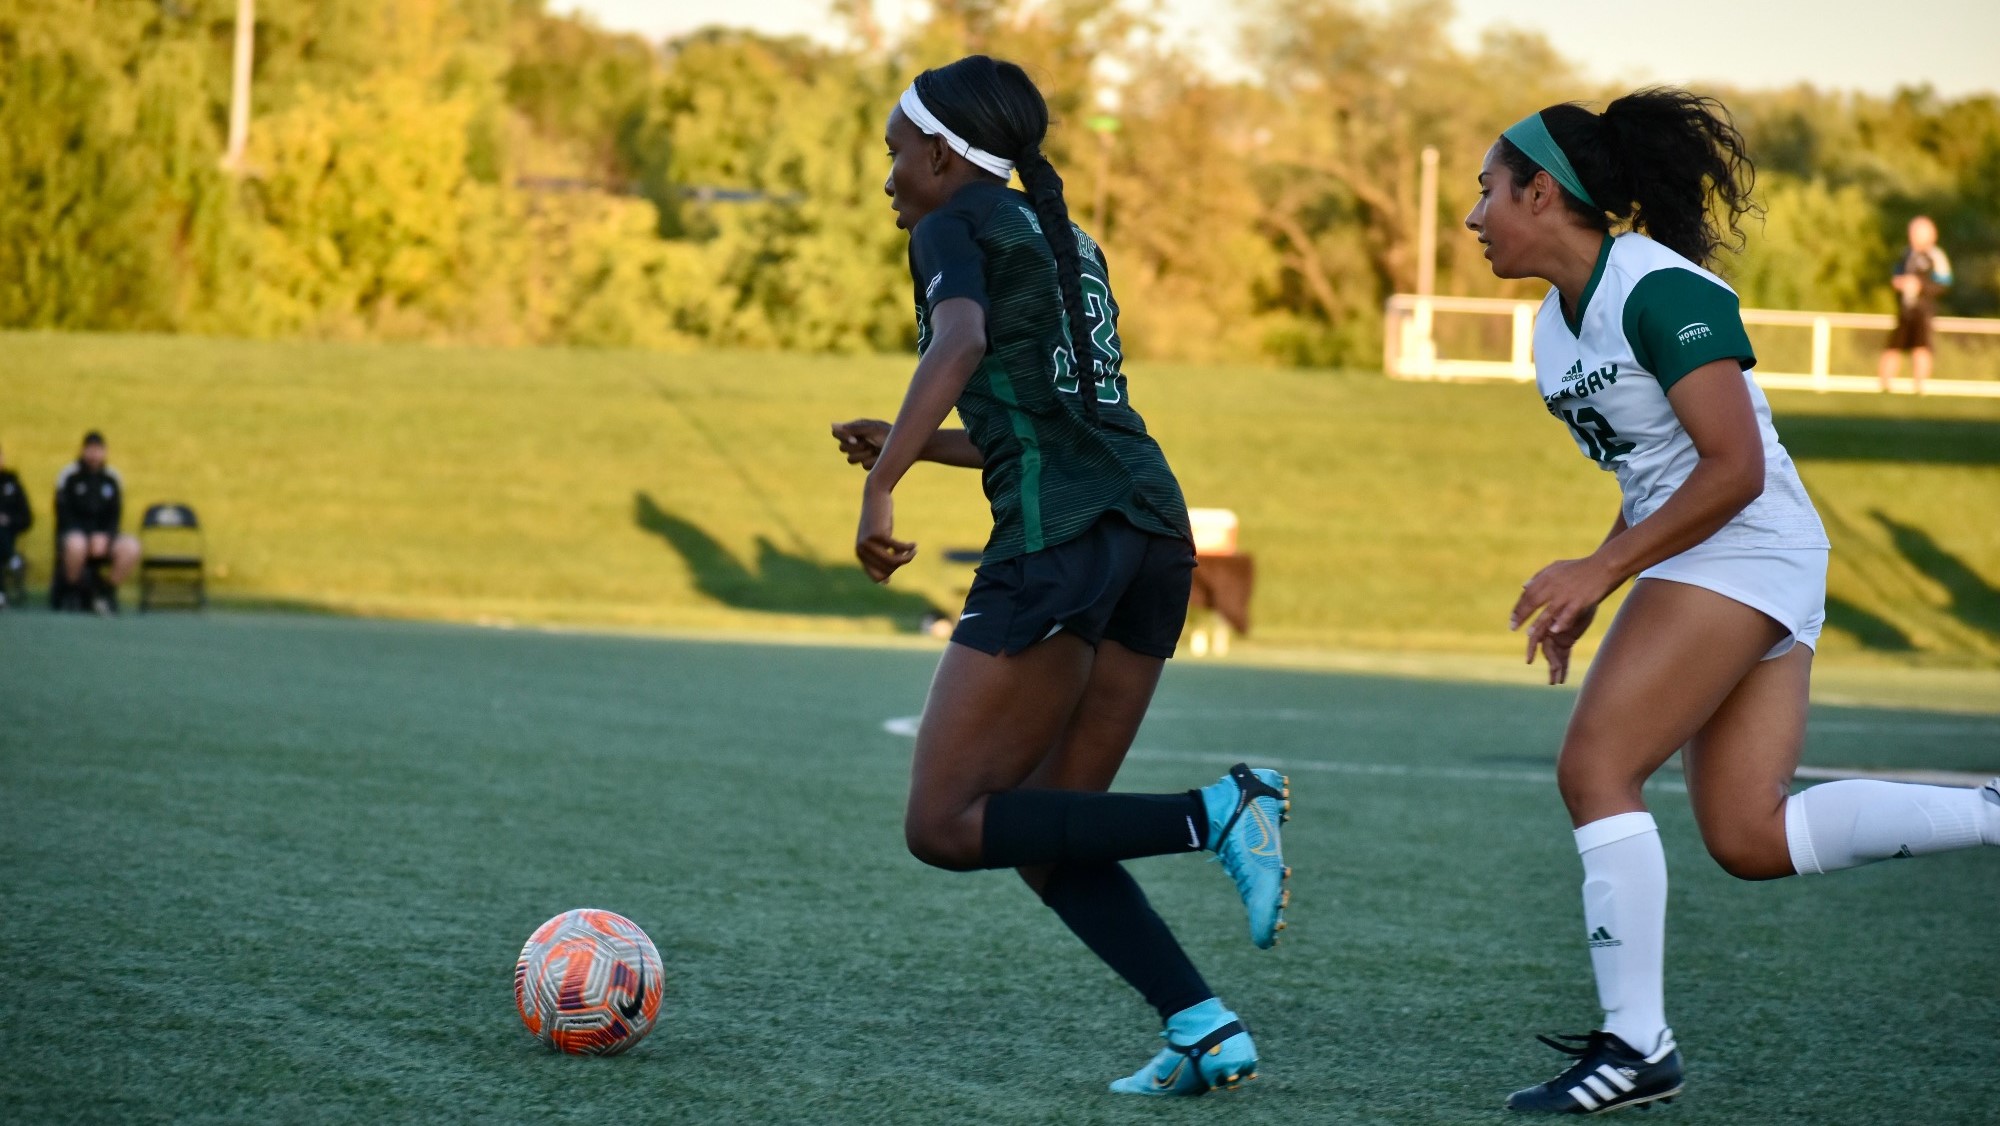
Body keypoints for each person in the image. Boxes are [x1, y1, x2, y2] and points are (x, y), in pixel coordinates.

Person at [1463, 89, 1999, 1115]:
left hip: (1744, 544)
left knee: (1594, 769)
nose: (1473, 214)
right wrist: (1601, 567)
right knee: (1749, 837)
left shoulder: (1657, 288)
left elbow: (1734, 469)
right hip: (1727, 551)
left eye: (1487, 189)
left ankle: (1636, 1045)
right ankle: (1990, 813)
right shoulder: (1551, 329)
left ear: (1540, 192)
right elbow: (1654, 473)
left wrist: (1600, 572)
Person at [828, 55, 1293, 1096]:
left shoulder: (952, 224)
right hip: (1151, 530)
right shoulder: (1066, 235)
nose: (887, 177)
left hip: (1063, 540)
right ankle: (1201, 1025)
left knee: (944, 825)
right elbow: (1043, 415)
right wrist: (906, 440)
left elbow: (960, 340)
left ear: (941, 154)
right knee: (1048, 826)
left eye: (893, 153)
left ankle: (1219, 811)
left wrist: (882, 485)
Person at [55, 431, 140, 612]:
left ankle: (107, 591)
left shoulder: (112, 478)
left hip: (103, 538)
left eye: (98, 450)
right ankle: (72, 592)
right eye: (90, 449)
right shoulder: (70, 476)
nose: (94, 454)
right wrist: (88, 536)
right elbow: (64, 514)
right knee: (76, 543)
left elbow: (115, 515)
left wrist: (106, 537)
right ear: (83, 450)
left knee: (131, 546)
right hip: (77, 534)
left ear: (104, 452)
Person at [1877, 215, 1953, 394]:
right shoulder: (1906, 254)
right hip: (1905, 309)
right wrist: (1898, 283)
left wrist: (1921, 286)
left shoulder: (1935, 256)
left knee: (1921, 347)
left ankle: (1920, 386)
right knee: (1893, 347)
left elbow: (1944, 283)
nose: (1912, 236)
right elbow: (1896, 274)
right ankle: (1885, 386)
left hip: (1923, 310)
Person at [0, 440, 32, 608]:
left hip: (7, 535)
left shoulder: (12, 483)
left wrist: (8, 520)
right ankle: (13, 560)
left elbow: (26, 518)